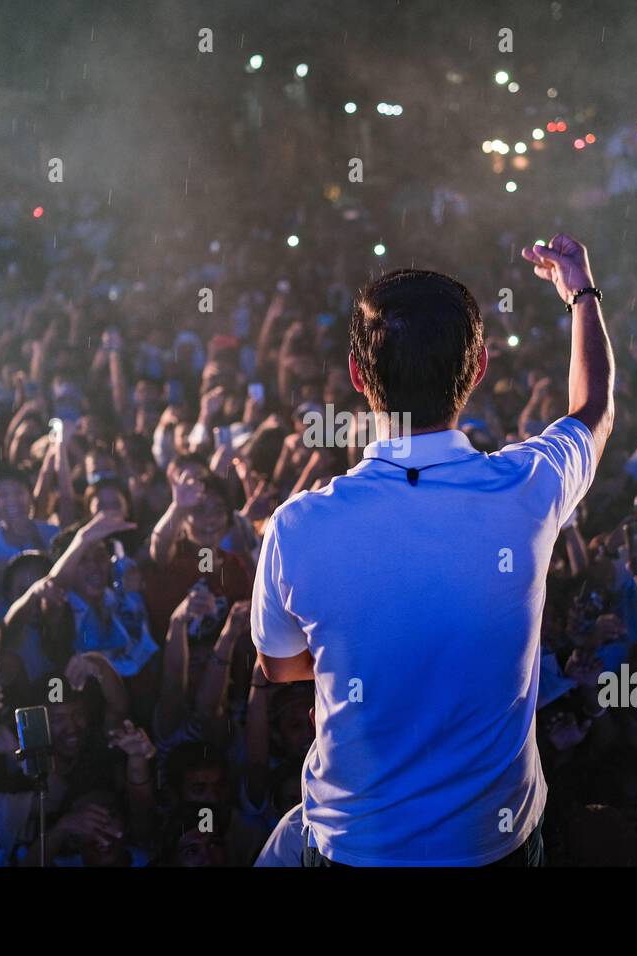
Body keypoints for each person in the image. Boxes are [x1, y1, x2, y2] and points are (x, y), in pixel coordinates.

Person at [251, 233, 613, 866]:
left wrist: (375, 654)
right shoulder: (527, 489)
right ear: (478, 370)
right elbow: (595, 409)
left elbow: (279, 668)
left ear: (358, 375)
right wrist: (581, 293)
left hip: (357, 847)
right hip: (491, 846)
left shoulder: (298, 528)